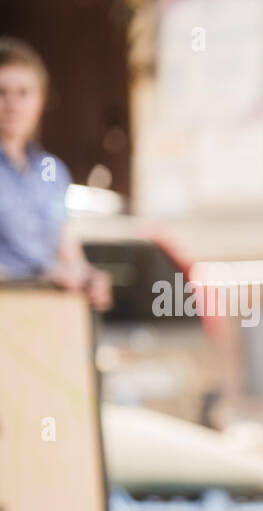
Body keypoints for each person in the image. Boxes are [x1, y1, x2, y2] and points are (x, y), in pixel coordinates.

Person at [0, 35, 111, 310]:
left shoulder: (52, 171)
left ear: (40, 100)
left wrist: (88, 277)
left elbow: (68, 251)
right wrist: (41, 278)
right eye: (1, 92)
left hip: (50, 323)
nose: (12, 104)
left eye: (24, 93)